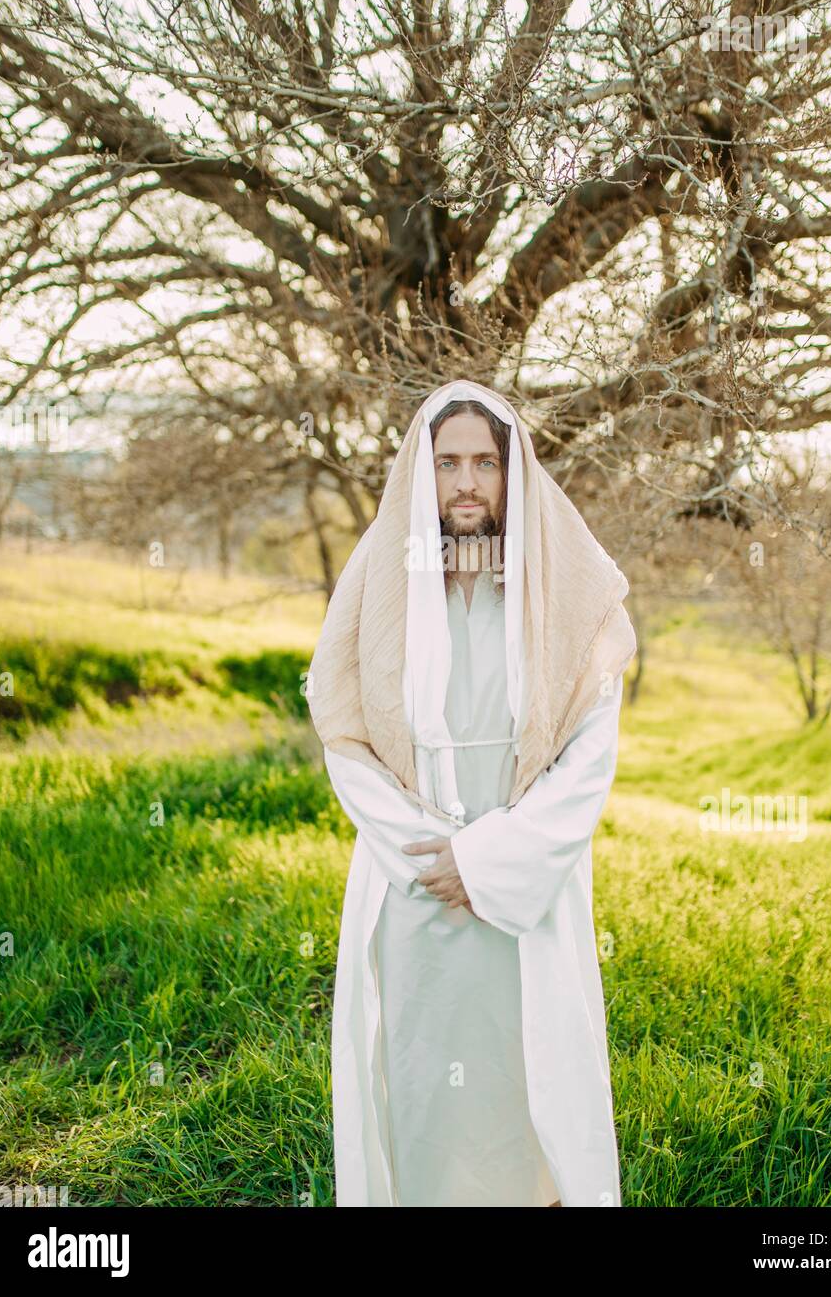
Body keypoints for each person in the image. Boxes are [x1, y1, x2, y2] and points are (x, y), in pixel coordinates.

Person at [307, 379, 637, 1207]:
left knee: (533, 1102)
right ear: (423, 469)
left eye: (483, 462)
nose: (464, 482)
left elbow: (589, 754)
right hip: (414, 891)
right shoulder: (381, 576)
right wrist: (430, 857)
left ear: (510, 469)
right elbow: (344, 736)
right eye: (447, 461)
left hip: (531, 897)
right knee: (423, 1103)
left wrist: (488, 861)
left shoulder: (568, 582)